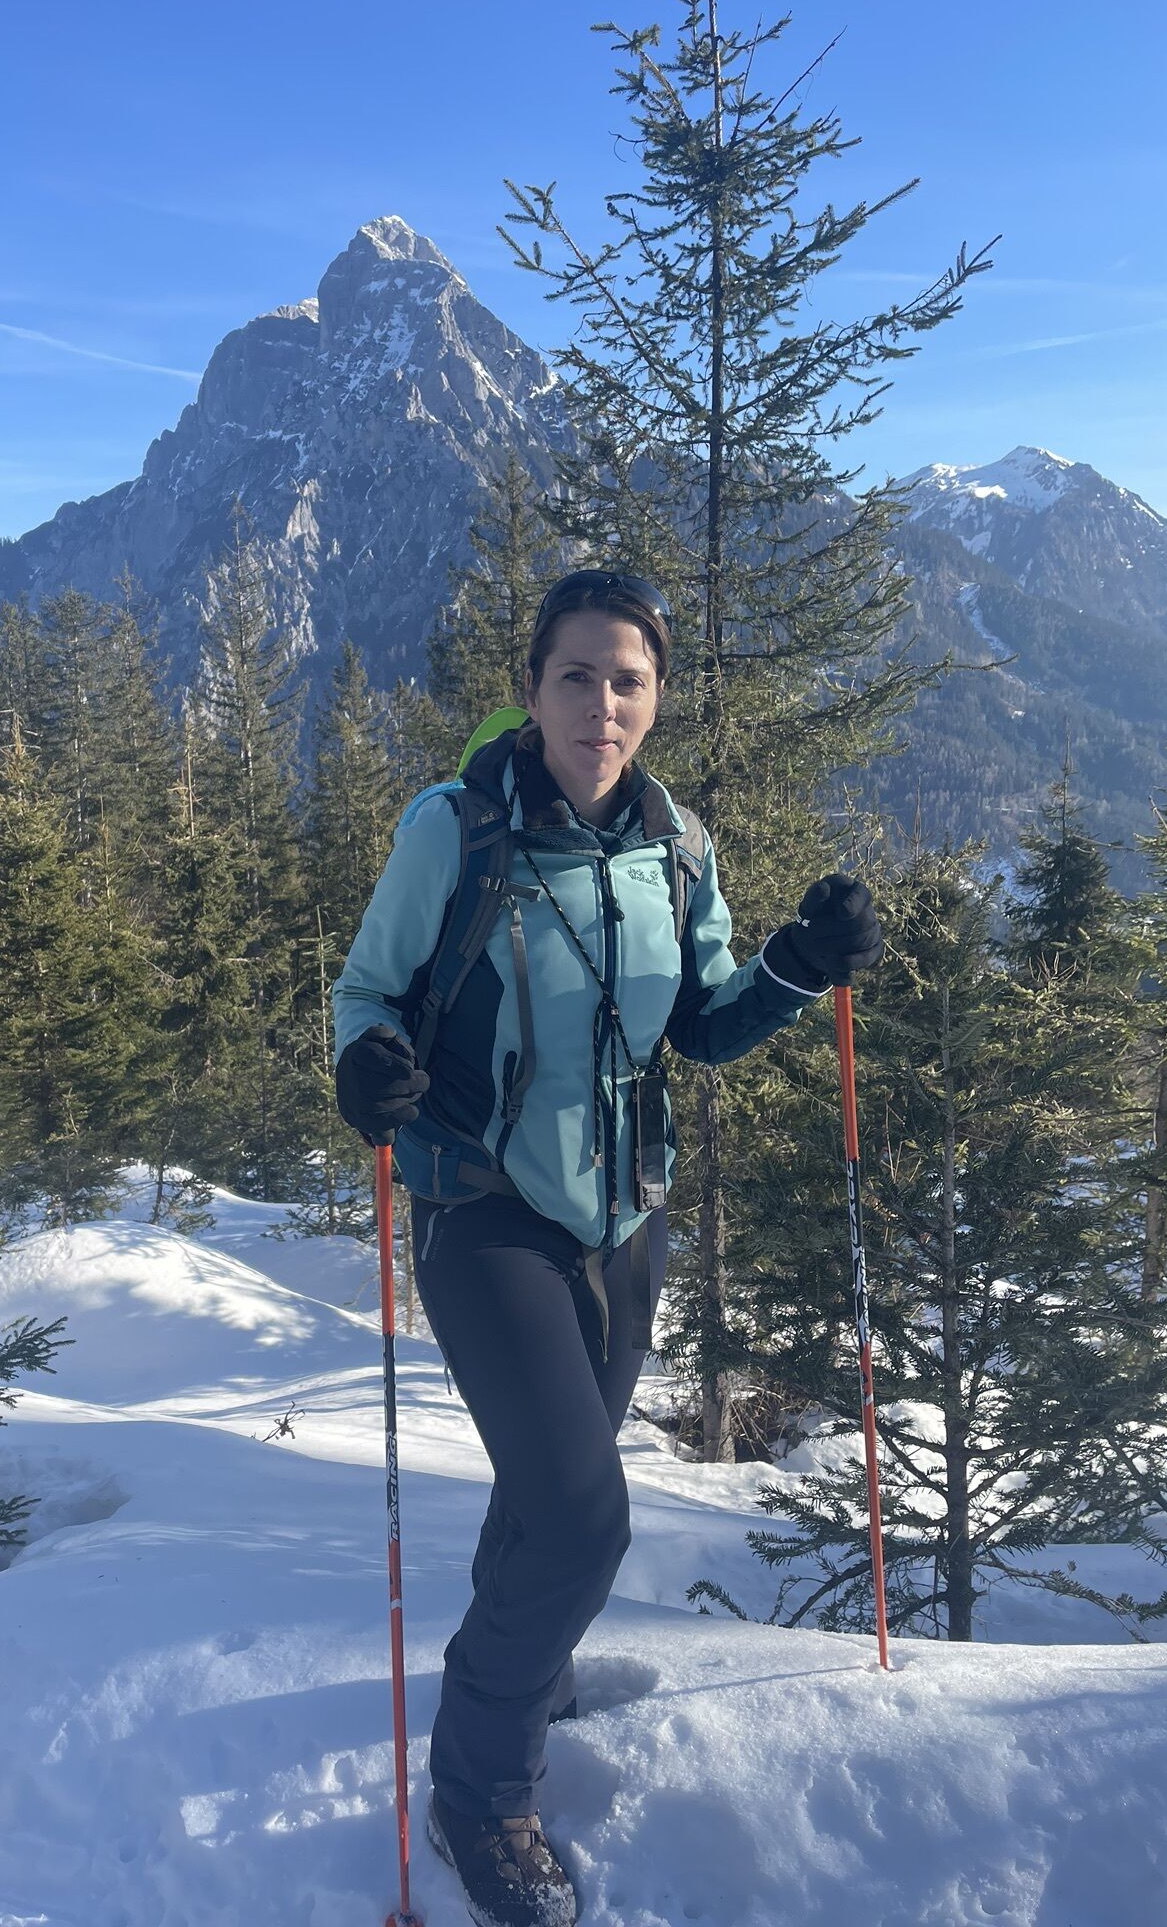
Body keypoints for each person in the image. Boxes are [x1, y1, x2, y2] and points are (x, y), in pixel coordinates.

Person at [331, 569, 883, 1927]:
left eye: (626, 678)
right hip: (483, 1213)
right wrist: (368, 1071)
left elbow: (698, 1024)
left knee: (544, 1495)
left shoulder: (676, 847)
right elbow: (366, 990)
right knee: (584, 1511)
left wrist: (800, 967)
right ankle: (480, 1787)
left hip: (622, 1223)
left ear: (654, 699)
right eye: (575, 674)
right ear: (532, 689)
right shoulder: (453, 831)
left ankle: (510, 1662)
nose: (601, 702)